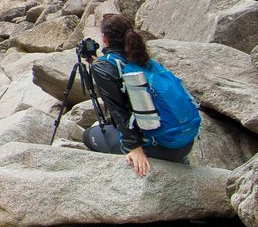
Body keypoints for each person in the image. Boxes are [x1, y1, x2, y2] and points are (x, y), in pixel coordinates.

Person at [81, 13, 196, 176]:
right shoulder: (142, 59)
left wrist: (134, 148)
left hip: (159, 147)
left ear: (104, 39)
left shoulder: (103, 66)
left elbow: (117, 110)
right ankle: (178, 159)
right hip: (184, 143)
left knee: (89, 135)